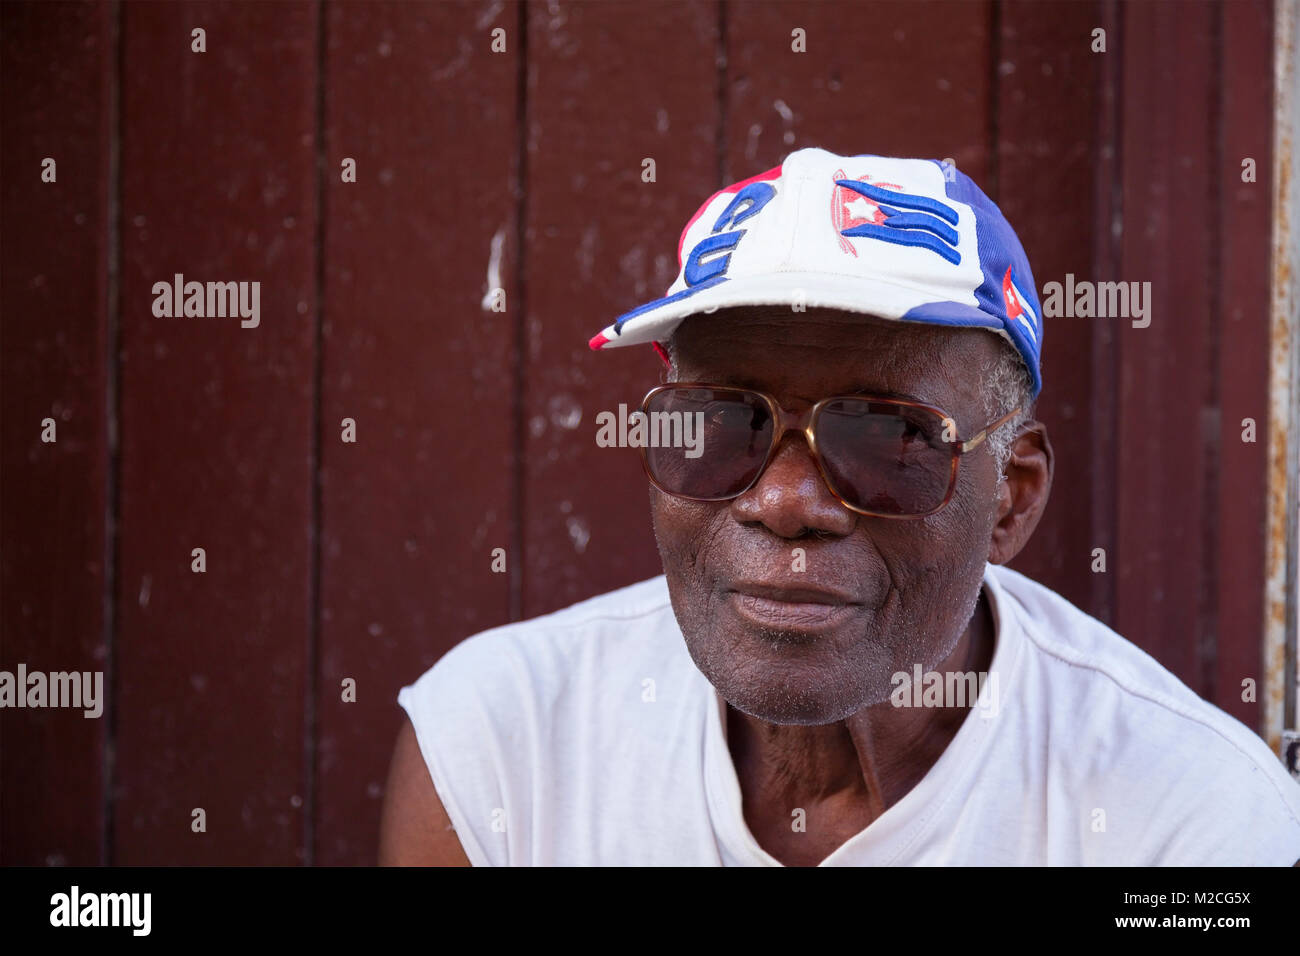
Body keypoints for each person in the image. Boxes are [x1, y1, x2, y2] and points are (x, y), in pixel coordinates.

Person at [379, 148, 1300, 866]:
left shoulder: (1191, 824)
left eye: (889, 439)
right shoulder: (501, 745)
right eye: (722, 422)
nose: (785, 503)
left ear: (1012, 499)